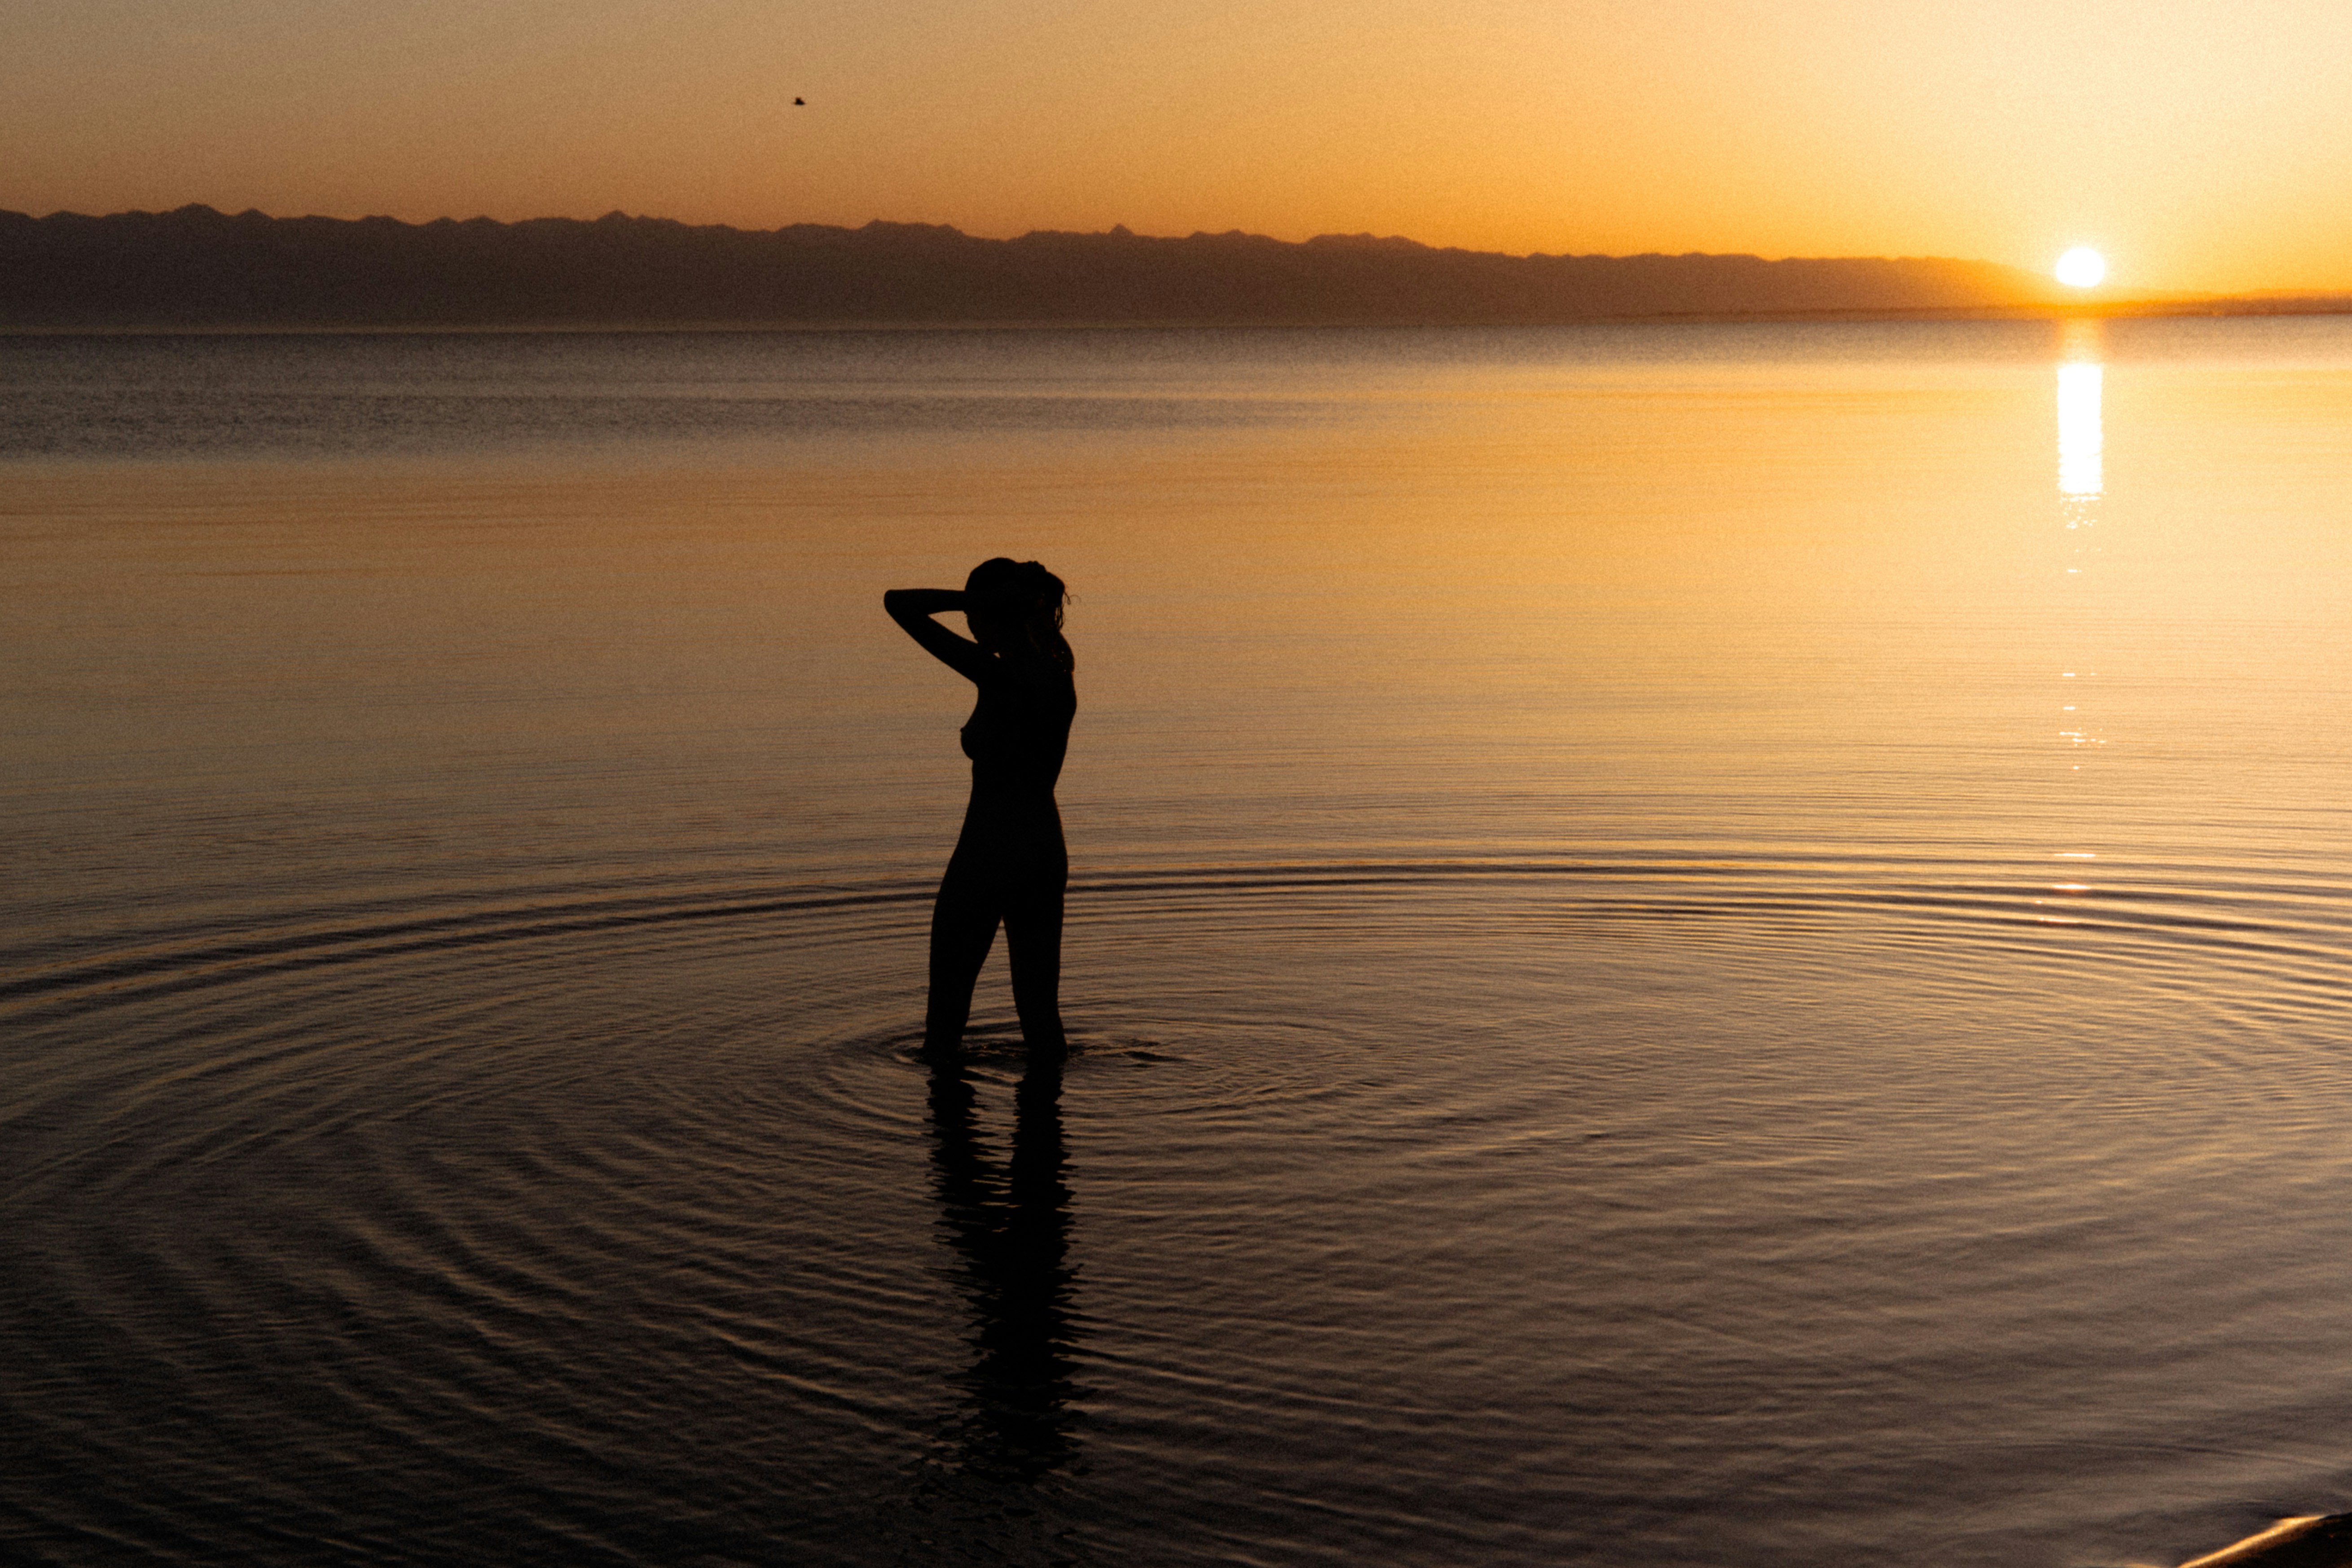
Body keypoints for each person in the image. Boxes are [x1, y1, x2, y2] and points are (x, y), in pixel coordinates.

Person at [885, 559, 1077, 1057]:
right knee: (1041, 1021)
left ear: (993, 611)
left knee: (944, 1026)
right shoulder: (1059, 664)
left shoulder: (997, 674)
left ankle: (949, 1128)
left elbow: (897, 603)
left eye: (975, 614)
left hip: (988, 853)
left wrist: (974, 601)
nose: (969, 625)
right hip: (1042, 850)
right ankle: (1045, 1128)